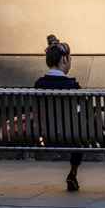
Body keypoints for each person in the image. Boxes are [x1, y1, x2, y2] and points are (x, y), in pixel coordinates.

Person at [35, 35, 85, 191]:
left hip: (46, 135)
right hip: (71, 136)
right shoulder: (72, 86)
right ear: (64, 60)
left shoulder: (39, 85)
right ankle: (73, 172)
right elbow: (82, 111)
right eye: (70, 59)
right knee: (81, 130)